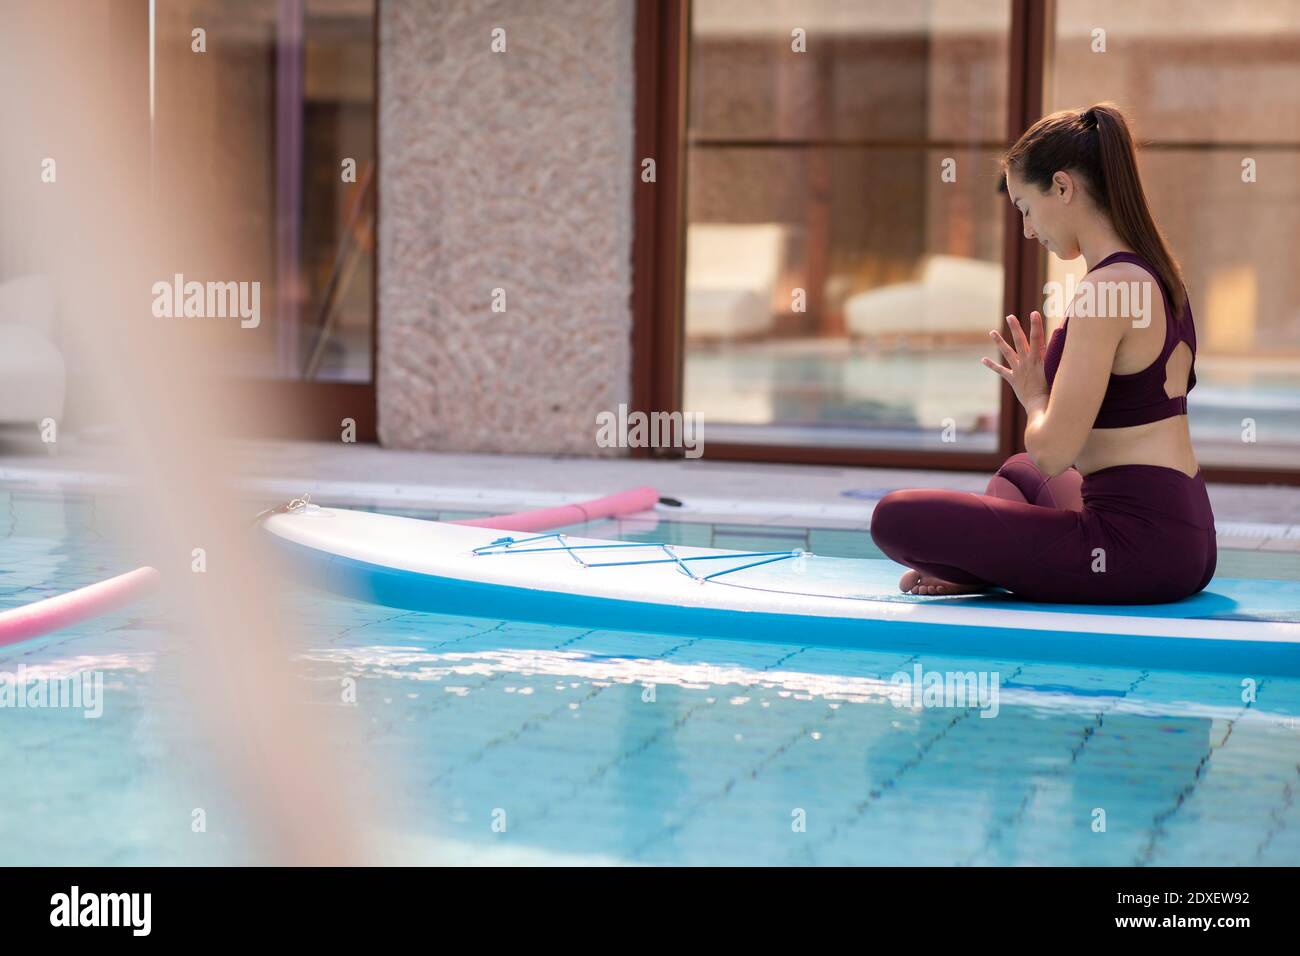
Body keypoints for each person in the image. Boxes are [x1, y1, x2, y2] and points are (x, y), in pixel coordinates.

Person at [869, 103, 1216, 605]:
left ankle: (980, 568)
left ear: (1062, 186)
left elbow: (1054, 452)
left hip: (1136, 549)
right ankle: (981, 569)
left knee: (896, 516)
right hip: (1187, 534)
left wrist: (1034, 396)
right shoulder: (1157, 274)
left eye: (1026, 208)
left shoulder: (1106, 290)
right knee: (1018, 474)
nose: (1029, 230)